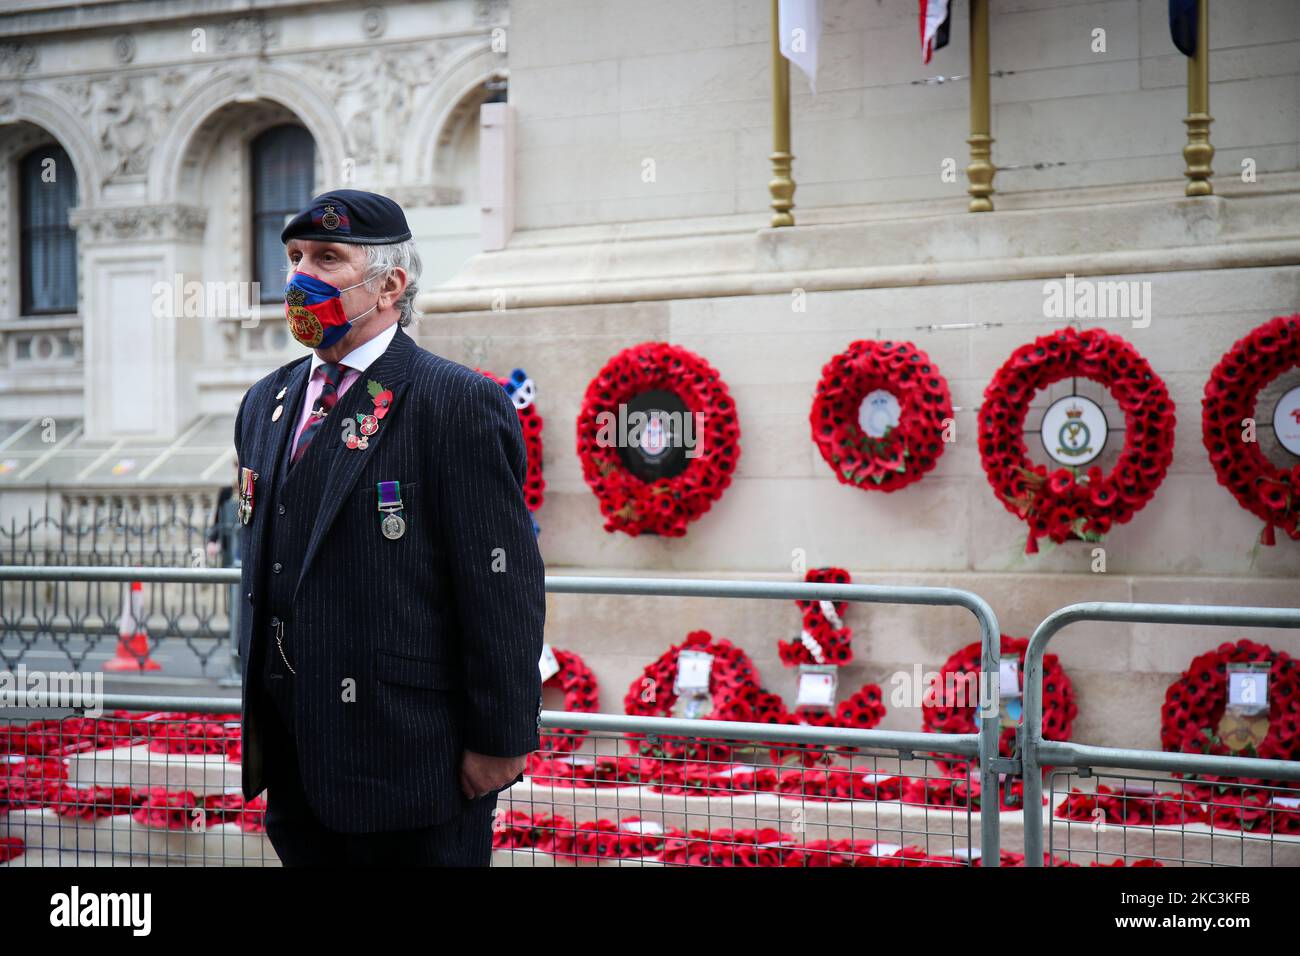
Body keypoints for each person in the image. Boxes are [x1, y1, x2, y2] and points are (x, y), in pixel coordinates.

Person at [231, 188, 545, 866]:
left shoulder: (456, 401)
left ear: (390, 285)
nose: (299, 277)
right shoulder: (266, 402)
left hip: (414, 769)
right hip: (296, 764)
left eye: (327, 257)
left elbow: (502, 586)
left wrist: (500, 741)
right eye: (293, 257)